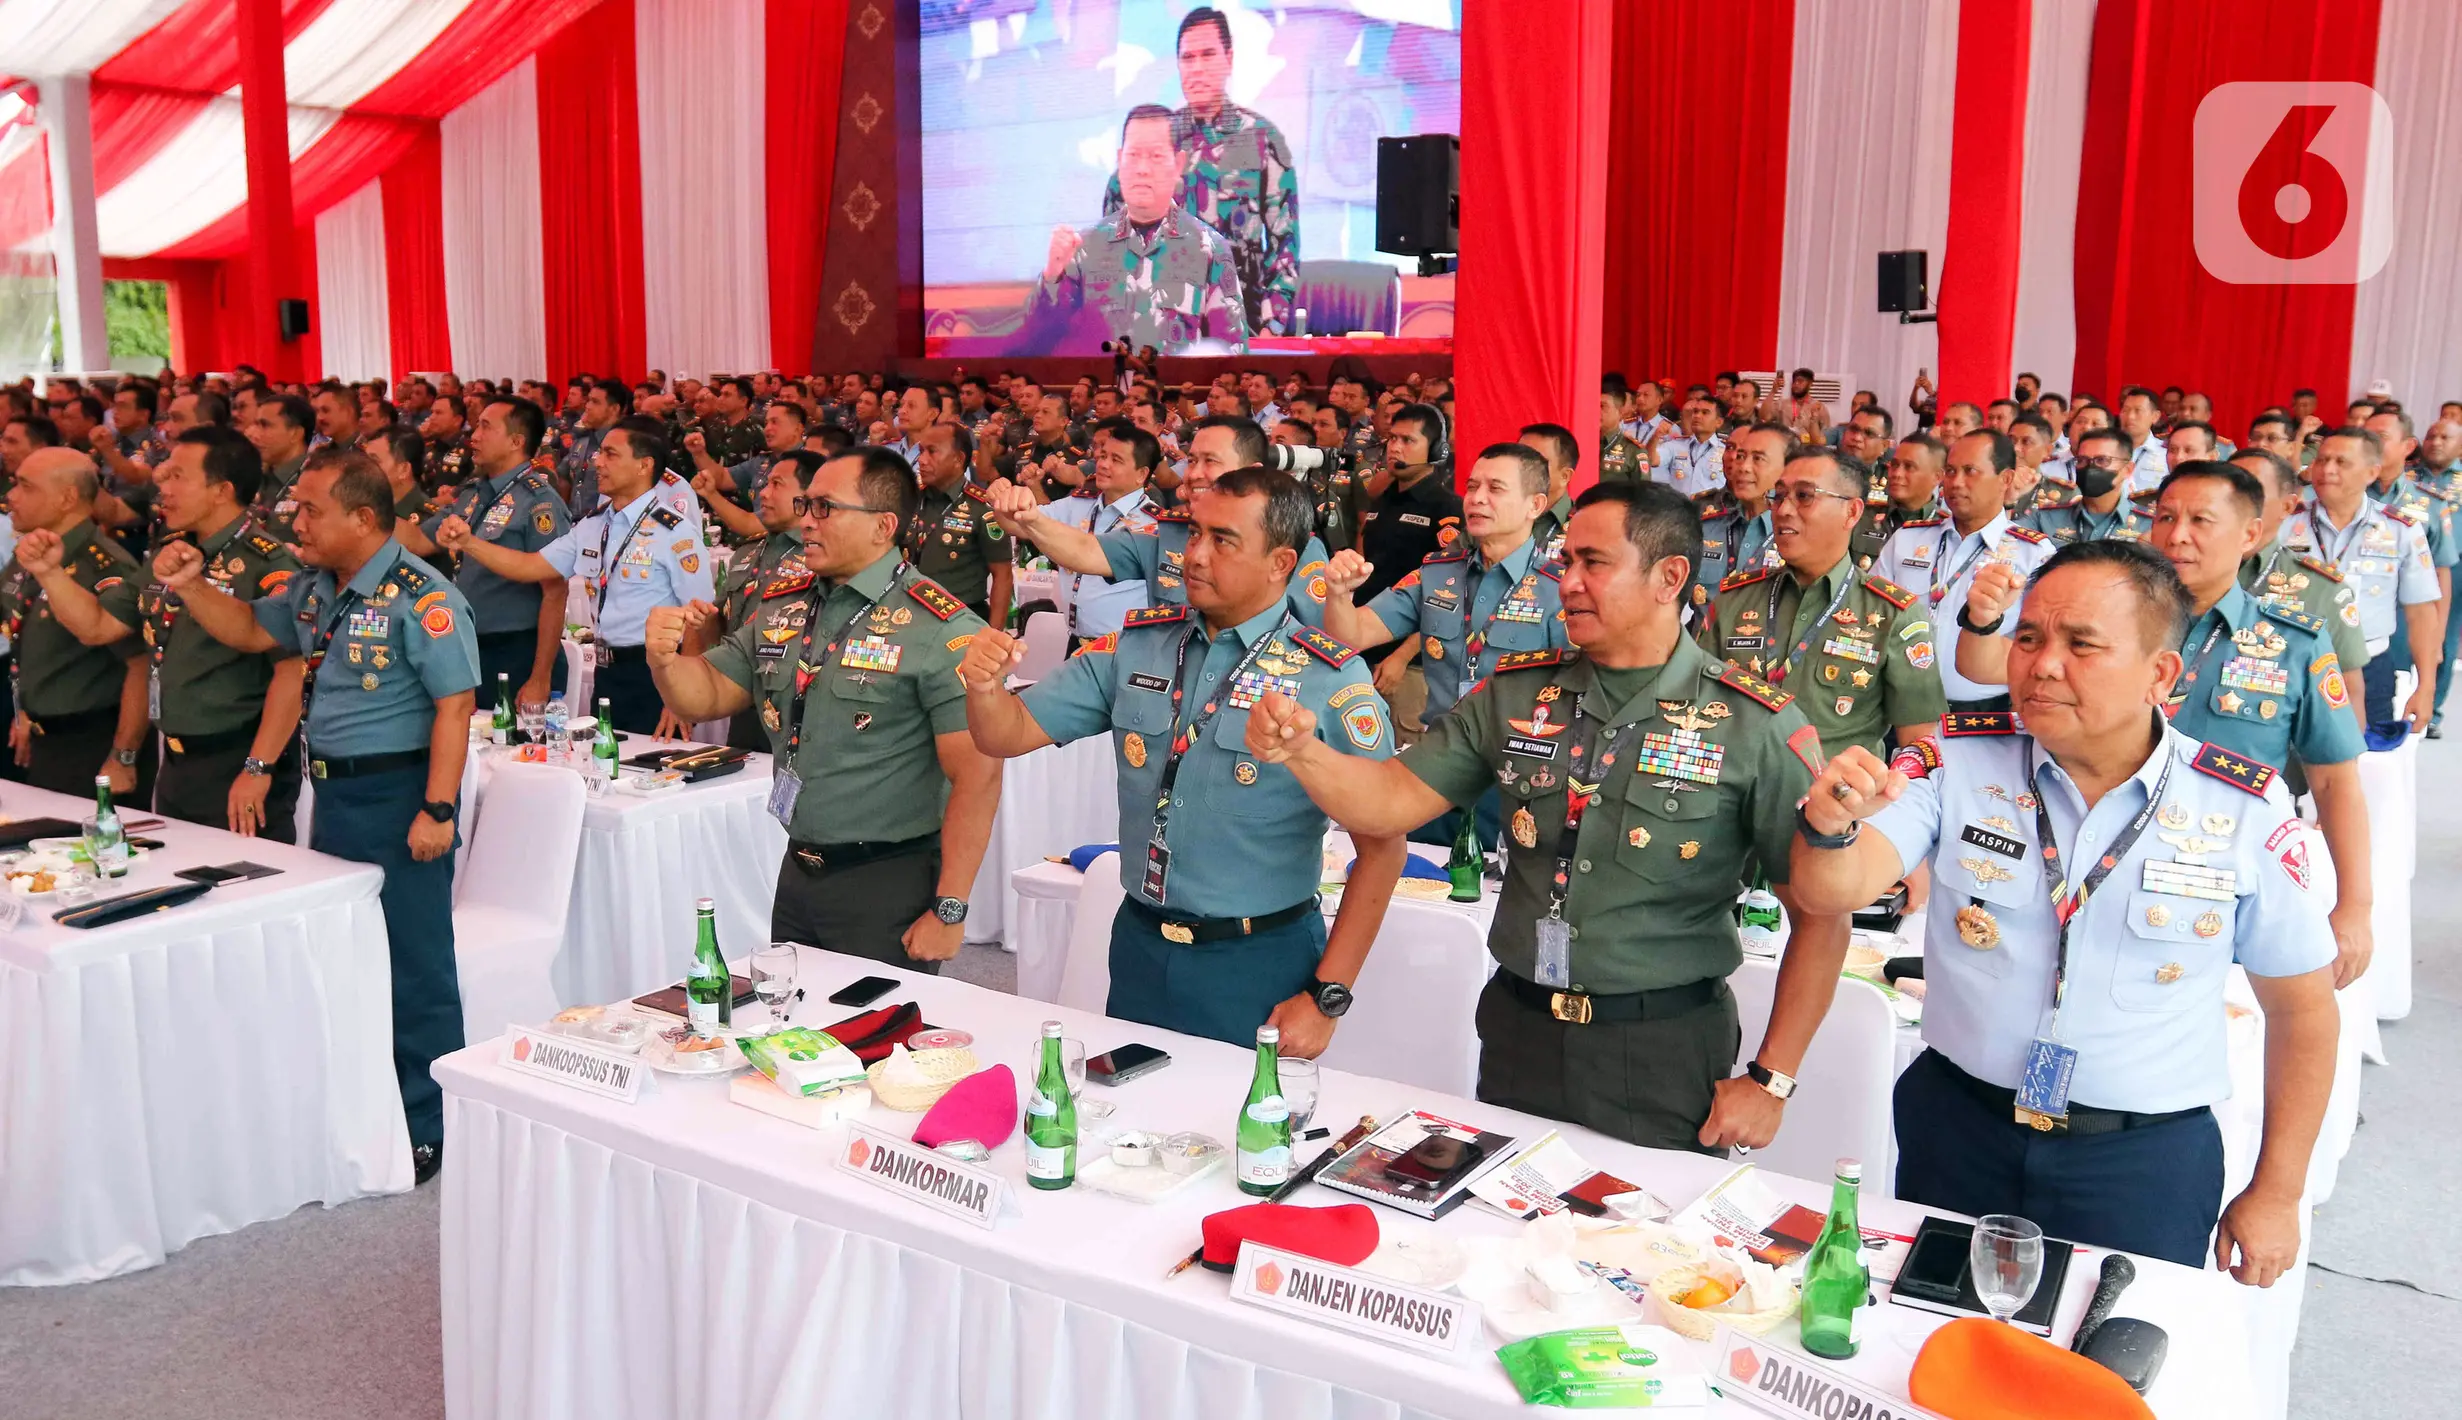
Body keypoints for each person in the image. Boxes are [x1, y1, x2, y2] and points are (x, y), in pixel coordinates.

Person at [1788, 539, 2338, 1279]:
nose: (2042, 664)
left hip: (2139, 1160)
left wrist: (2278, 1189)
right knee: (1934, 1360)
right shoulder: (1956, 760)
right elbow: (1836, 889)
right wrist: (1831, 826)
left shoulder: (2239, 807)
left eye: (2081, 645)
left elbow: (2304, 1009)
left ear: (2160, 675)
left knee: (2105, 1380)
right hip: (1959, 1127)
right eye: (2028, 637)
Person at [1247, 480, 1842, 1152]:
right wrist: (1301, 751)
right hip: (1519, 1027)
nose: (1569, 584)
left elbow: (1822, 916)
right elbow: (1391, 799)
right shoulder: (1517, 691)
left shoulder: (1751, 723)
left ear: (1669, 576)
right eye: (1565, 563)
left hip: (1659, 1048)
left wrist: (1771, 1081)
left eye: (1595, 563)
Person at [960, 466, 1404, 1052]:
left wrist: (1328, 996)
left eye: (1223, 541)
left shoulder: (1326, 676)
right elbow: (1006, 734)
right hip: (1141, 943)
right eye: (1195, 533)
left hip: (1257, 960)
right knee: (1126, 1130)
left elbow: (1383, 845)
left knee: (1244, 1137)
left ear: (1280, 564)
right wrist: (985, 687)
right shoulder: (1139, 644)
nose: (1194, 555)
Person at [167, 445, 481, 1186]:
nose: (295, 520)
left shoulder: (420, 595)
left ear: (363, 517)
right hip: (335, 795)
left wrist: (438, 808)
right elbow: (250, 630)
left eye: (312, 510)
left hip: (400, 796)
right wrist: (188, 585)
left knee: (414, 965)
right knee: (347, 957)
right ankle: (365, 1106)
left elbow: (455, 705)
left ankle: (429, 1125)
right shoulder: (319, 588)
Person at [644, 446, 1002, 973]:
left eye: (824, 509)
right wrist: (664, 661)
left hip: (888, 879)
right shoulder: (785, 606)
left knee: (874, 1047)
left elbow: (978, 777)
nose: (805, 520)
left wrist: (949, 910)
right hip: (798, 870)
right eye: (806, 505)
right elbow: (707, 693)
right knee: (792, 1040)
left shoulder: (941, 629)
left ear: (883, 526)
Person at [30, 428, 305, 839]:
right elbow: (99, 626)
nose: (162, 485)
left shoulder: (267, 563)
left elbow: (293, 670)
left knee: (241, 892)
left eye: (178, 476)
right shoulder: (169, 552)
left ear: (221, 490)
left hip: (235, 758)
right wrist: (49, 573)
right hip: (175, 761)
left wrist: (258, 767)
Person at [1325, 443, 1567, 844]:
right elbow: (1351, 635)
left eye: (1496, 488)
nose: (1477, 498)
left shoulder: (1560, 590)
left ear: (1535, 505)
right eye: (1472, 486)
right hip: (1436, 770)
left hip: (1517, 778)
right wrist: (1338, 594)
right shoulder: (1438, 573)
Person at [438, 417, 709, 736]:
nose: (598, 462)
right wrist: (469, 543)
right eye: (600, 454)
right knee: (607, 771)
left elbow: (700, 617)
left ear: (643, 465)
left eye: (611, 454)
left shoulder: (675, 532)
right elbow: (530, 566)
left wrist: (684, 697)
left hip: (660, 675)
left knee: (657, 777)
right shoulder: (593, 526)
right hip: (608, 673)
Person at [1702, 448, 1945, 759]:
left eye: (1804, 496)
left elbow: (1918, 741)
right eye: (1778, 495)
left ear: (1852, 512)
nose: (1784, 509)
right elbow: (1698, 701)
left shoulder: (1893, 615)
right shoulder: (1735, 599)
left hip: (1833, 798)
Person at [988, 414, 1332, 621]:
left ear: (1250, 471)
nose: (1194, 473)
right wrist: (1027, 517)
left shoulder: (1298, 548)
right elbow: (1085, 550)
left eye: (1210, 462)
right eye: (1191, 460)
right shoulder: (1163, 534)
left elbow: (1312, 638)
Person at [1101, 7, 1299, 337]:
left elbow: (1284, 246)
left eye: (1208, 55)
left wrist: (1271, 330)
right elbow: (1113, 217)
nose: (1197, 69)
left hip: (1239, 326)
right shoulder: (1160, 136)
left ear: (1229, 59)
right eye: (1188, 58)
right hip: (1161, 329)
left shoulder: (1263, 139)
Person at [1032, 105, 1247, 353]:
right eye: (1133, 155)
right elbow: (1042, 340)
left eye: (1155, 156)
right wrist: (1052, 275)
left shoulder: (1210, 249)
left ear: (1178, 163)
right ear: (1119, 159)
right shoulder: (1084, 247)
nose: (1142, 168)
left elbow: (1232, 351)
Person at [2, 449, 152, 795]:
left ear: (67, 497)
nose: (11, 496)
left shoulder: (105, 567)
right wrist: (23, 709)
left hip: (91, 744)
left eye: (25, 486)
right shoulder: (30, 553)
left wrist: (123, 756)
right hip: (43, 738)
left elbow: (140, 666)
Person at [1872, 430, 2054, 712]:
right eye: (1951, 471)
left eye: (1970, 472)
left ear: (2005, 479)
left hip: (1982, 712)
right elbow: (1872, 615)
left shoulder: (2033, 555)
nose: (1955, 483)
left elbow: (2041, 644)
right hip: (1897, 706)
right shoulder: (1907, 540)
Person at [2279, 427, 2442, 729]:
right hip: (2291, 663)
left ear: (2371, 472)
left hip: (2369, 666)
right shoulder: (2285, 523)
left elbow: (2421, 613)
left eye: (2341, 462)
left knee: (2362, 765)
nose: (2327, 469)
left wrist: (2426, 687)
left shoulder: (2400, 530)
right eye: (2323, 460)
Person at [419, 397, 572, 706]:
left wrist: (540, 677)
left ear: (516, 441)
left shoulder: (539, 502)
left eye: (486, 427)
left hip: (516, 651)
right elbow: (418, 540)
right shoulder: (475, 492)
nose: (473, 436)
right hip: (472, 648)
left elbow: (555, 592)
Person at [2231, 446, 2369, 718]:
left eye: (2252, 492)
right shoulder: (2172, 572)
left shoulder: (2323, 590)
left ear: (2287, 506)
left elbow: (2348, 694)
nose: (2236, 503)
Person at [695, 449, 816, 750]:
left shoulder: (821, 557)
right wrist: (698, 620)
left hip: (794, 709)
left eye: (778, 484)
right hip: (742, 703)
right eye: (766, 484)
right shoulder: (748, 552)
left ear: (808, 496)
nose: (764, 492)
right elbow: (718, 624)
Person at [1045, 421, 1161, 649]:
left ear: (1141, 474)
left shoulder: (1154, 524)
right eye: (1103, 455)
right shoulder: (1077, 504)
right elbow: (1023, 522)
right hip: (1077, 643)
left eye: (1116, 460)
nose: (1103, 464)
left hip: (1125, 647)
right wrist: (1011, 499)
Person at [906, 423, 1013, 626]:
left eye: (932, 451)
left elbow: (1003, 576)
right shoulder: (909, 499)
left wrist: (994, 634)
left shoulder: (983, 508)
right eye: (921, 451)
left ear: (959, 459)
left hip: (960, 620)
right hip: (909, 615)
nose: (922, 460)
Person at [1692, 423, 1790, 605]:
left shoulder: (1800, 531)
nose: (1743, 467)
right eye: (1740, 456)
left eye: (1758, 459)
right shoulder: (1705, 520)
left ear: (1788, 468)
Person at [2021, 427, 2150, 544]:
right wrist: (2010, 500)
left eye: (2102, 460)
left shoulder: (2149, 526)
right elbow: (2007, 543)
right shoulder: (2046, 517)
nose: (2090, 468)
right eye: (2082, 460)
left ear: (2127, 469)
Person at [1848, 434, 1944, 569]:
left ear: (1937, 477)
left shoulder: (1946, 529)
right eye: (1894, 465)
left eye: (1909, 467)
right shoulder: (1862, 516)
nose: (1897, 473)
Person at [245, 393, 315, 540]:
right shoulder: (254, 477)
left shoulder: (317, 480)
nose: (255, 435)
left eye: (265, 425)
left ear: (295, 434)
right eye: (255, 425)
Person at [1518, 423, 1580, 563]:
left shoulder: (1584, 526)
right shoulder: (1497, 513)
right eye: (1518, 460)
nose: (1523, 469)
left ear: (1565, 476)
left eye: (1536, 462)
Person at [1658, 395, 1726, 501]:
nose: (1697, 416)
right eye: (1695, 411)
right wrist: (1655, 437)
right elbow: (1653, 460)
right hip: (1679, 512)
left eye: (1705, 413)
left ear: (1719, 422)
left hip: (1711, 514)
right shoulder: (1675, 445)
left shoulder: (1726, 452)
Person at [2116, 386, 2168, 493]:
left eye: (2138, 411)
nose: (2130, 416)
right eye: (2125, 410)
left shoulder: (2166, 454)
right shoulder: (2107, 449)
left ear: (2155, 416)